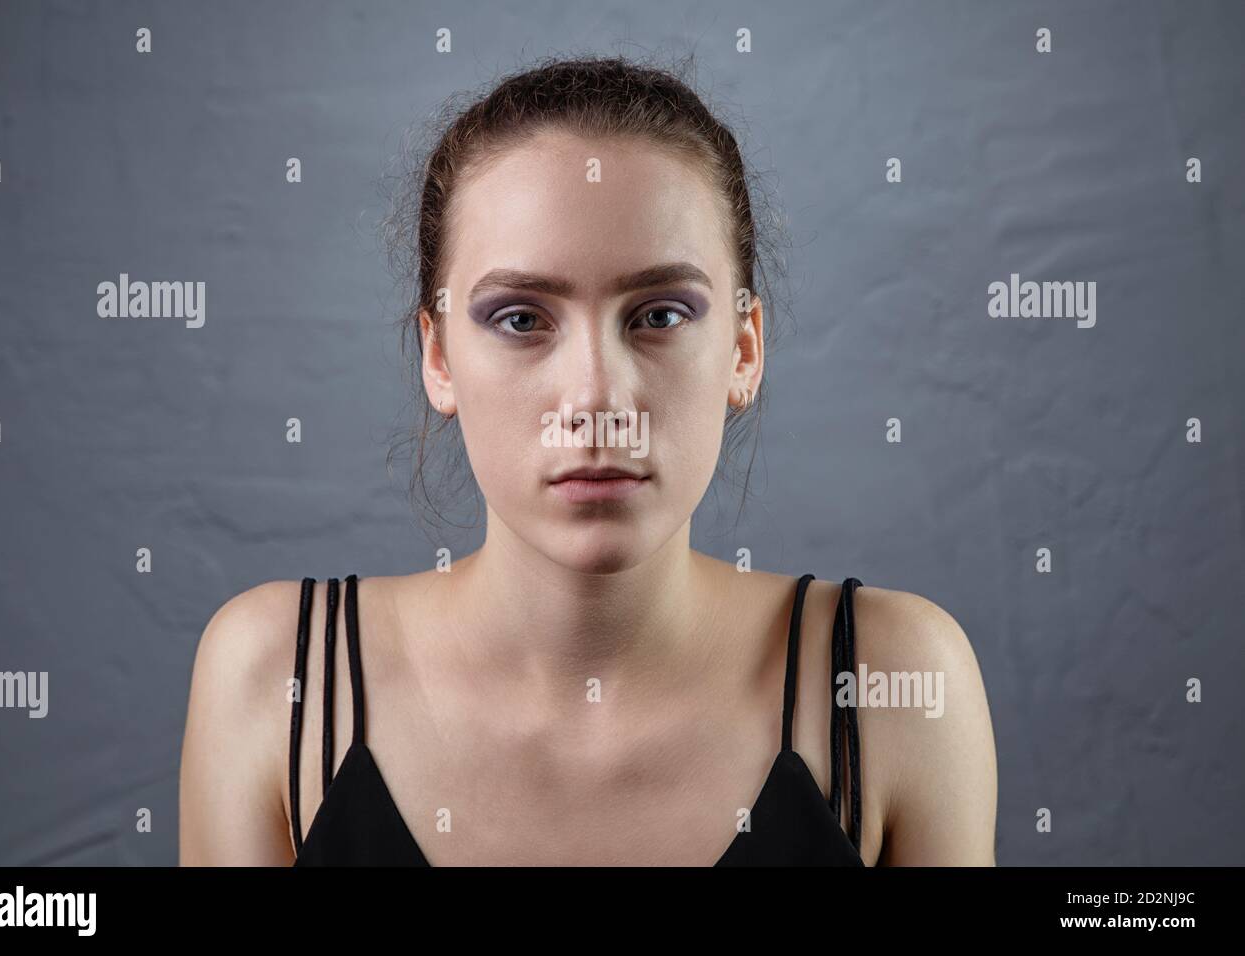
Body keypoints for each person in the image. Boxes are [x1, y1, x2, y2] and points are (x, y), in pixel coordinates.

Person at [178, 54, 997, 866]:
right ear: (438, 358)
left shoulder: (891, 684)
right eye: (521, 320)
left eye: (660, 314)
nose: (597, 398)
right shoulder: (274, 680)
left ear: (744, 349)